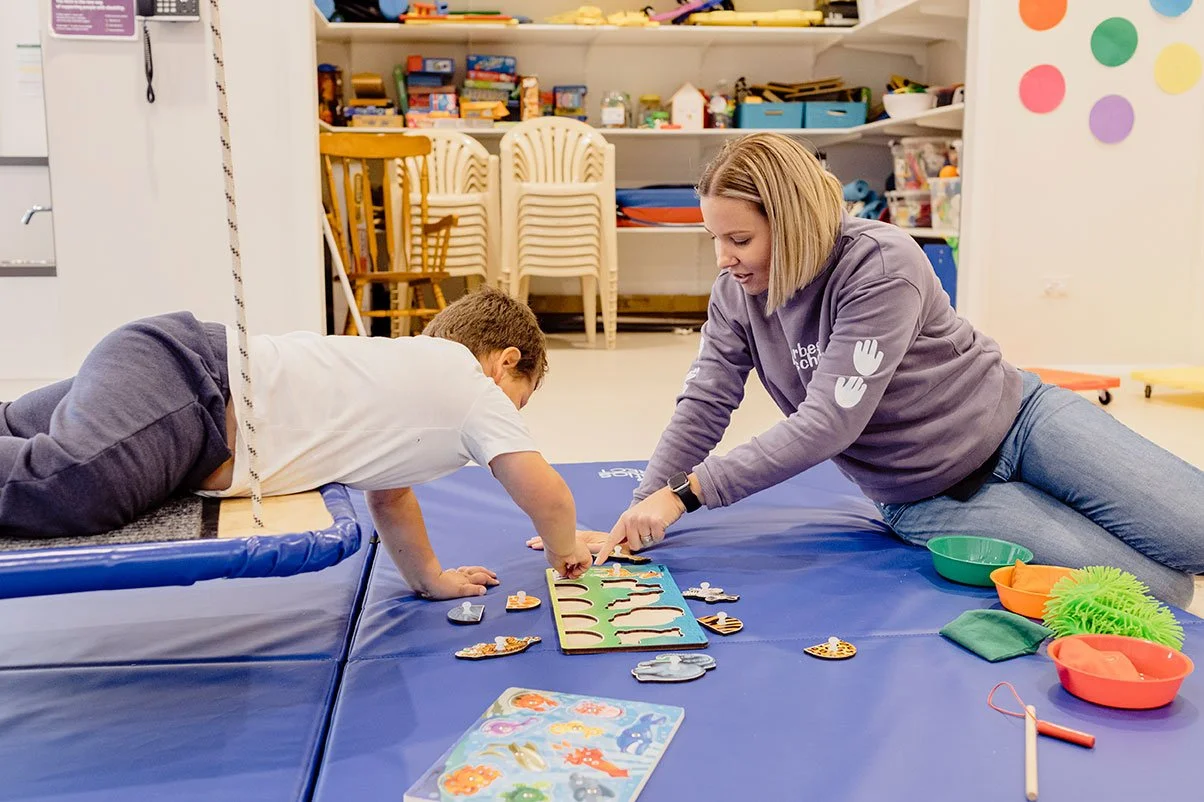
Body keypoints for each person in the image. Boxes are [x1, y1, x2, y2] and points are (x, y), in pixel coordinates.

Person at [568, 132, 1202, 611]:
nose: (724, 259)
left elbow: (826, 425)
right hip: (924, 494)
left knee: (1194, 534)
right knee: (1161, 589)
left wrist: (688, 494)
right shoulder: (736, 295)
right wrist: (641, 504)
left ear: (791, 226)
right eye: (714, 239)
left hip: (1021, 421)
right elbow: (704, 404)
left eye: (739, 240)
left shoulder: (879, 262)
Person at [0, 287, 592, 598]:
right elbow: (548, 495)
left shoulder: (407, 384)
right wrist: (567, 553)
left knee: (20, 434)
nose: (515, 413)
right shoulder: (473, 388)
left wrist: (429, 578)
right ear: (505, 363)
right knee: (72, 485)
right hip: (194, 383)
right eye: (523, 394)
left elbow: (391, 499)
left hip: (169, 368)